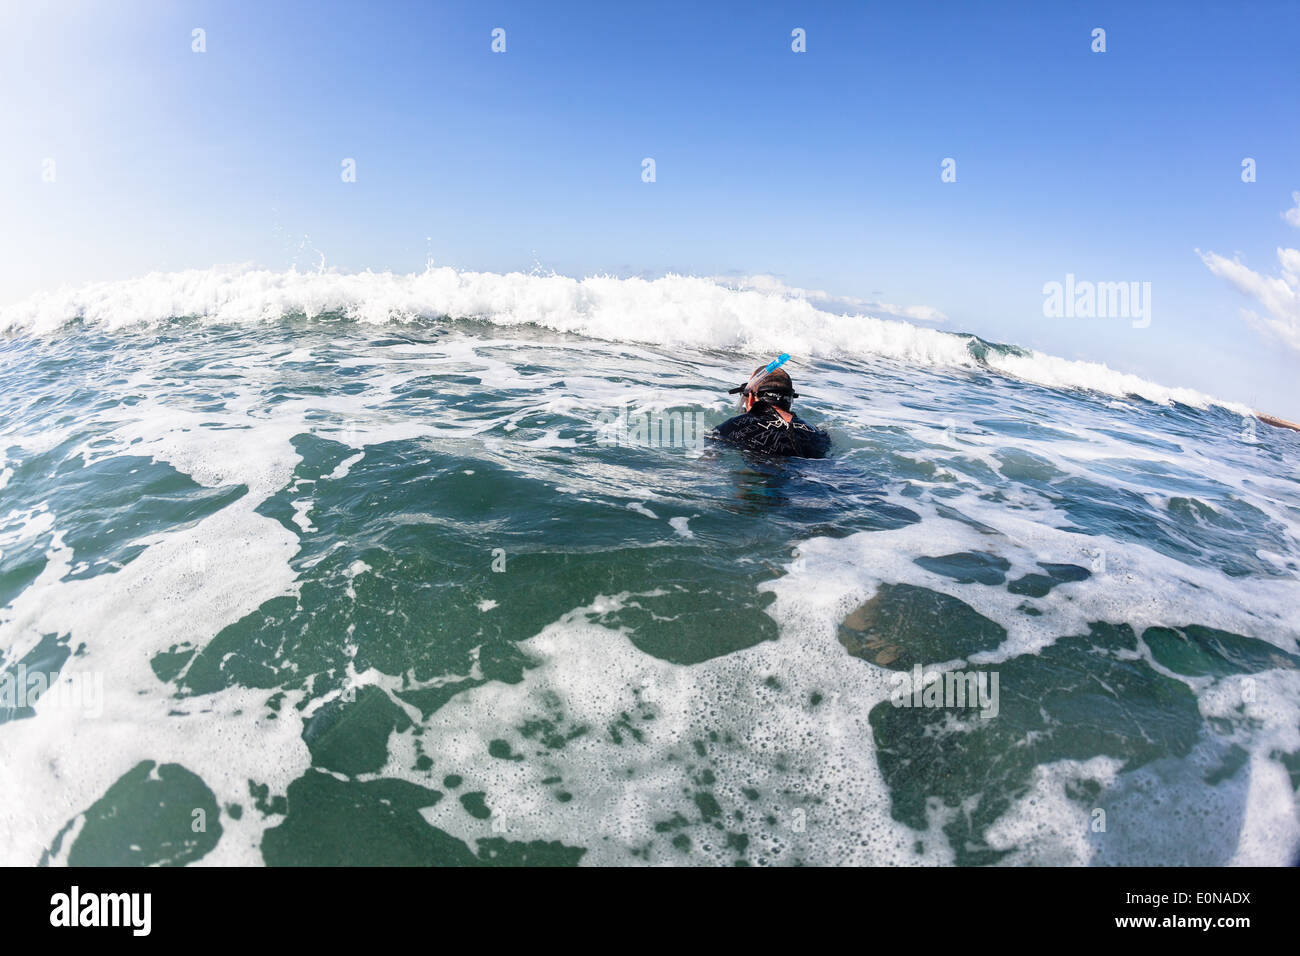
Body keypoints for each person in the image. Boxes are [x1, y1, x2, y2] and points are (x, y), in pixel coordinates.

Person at [708, 363, 830, 458]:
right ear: (790, 400)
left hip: (767, 473)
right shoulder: (818, 434)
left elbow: (706, 462)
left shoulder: (734, 426)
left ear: (750, 397)